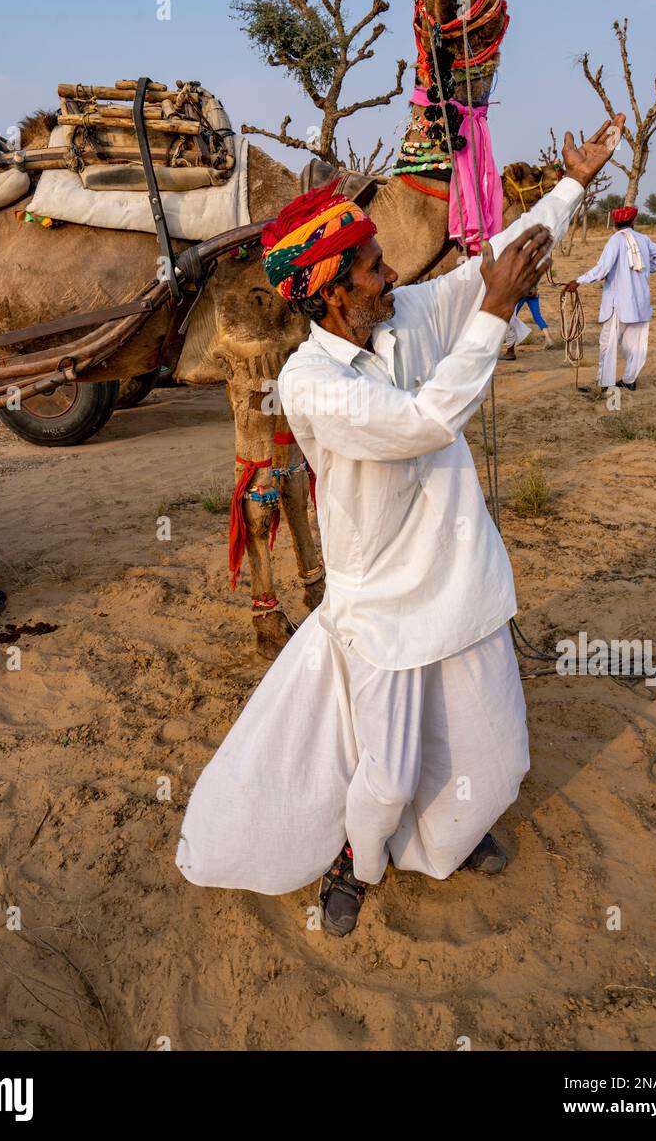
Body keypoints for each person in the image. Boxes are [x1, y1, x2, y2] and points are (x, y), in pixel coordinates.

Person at [175, 115, 625, 936]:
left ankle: (452, 832)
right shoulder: (312, 382)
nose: (393, 275)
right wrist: (492, 315)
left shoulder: (404, 315)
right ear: (330, 289)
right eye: (374, 266)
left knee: (491, 748)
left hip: (460, 583)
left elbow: (493, 266)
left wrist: (571, 187)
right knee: (383, 775)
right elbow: (422, 422)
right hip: (380, 605)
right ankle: (360, 857)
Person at [565, 204, 656, 391]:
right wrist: (645, 269)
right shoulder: (644, 239)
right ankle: (629, 380)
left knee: (608, 344)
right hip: (640, 305)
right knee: (636, 345)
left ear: (615, 223)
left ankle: (604, 383)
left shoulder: (615, 240)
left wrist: (578, 281)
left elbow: (602, 269)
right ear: (633, 222)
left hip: (618, 306)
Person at [502, 292, 553, 360]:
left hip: (523, 293)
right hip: (534, 293)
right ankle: (548, 338)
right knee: (537, 316)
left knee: (512, 316)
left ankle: (510, 342)